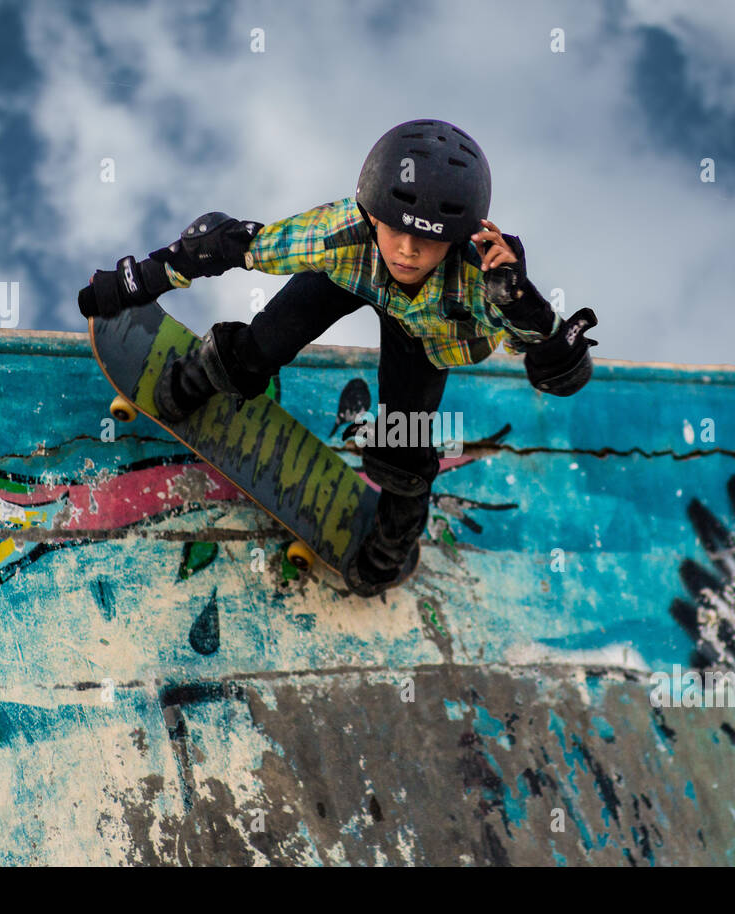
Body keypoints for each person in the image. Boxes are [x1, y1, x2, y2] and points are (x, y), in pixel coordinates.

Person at [78, 119, 599, 596]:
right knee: (265, 342)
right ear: (372, 214)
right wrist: (131, 282)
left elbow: (557, 374)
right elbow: (226, 245)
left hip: (426, 337)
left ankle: (396, 532)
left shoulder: (483, 281)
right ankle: (201, 377)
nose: (409, 252)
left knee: (403, 440)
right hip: (348, 278)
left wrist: (524, 303)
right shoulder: (340, 234)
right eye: (397, 228)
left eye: (428, 241)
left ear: (459, 240)